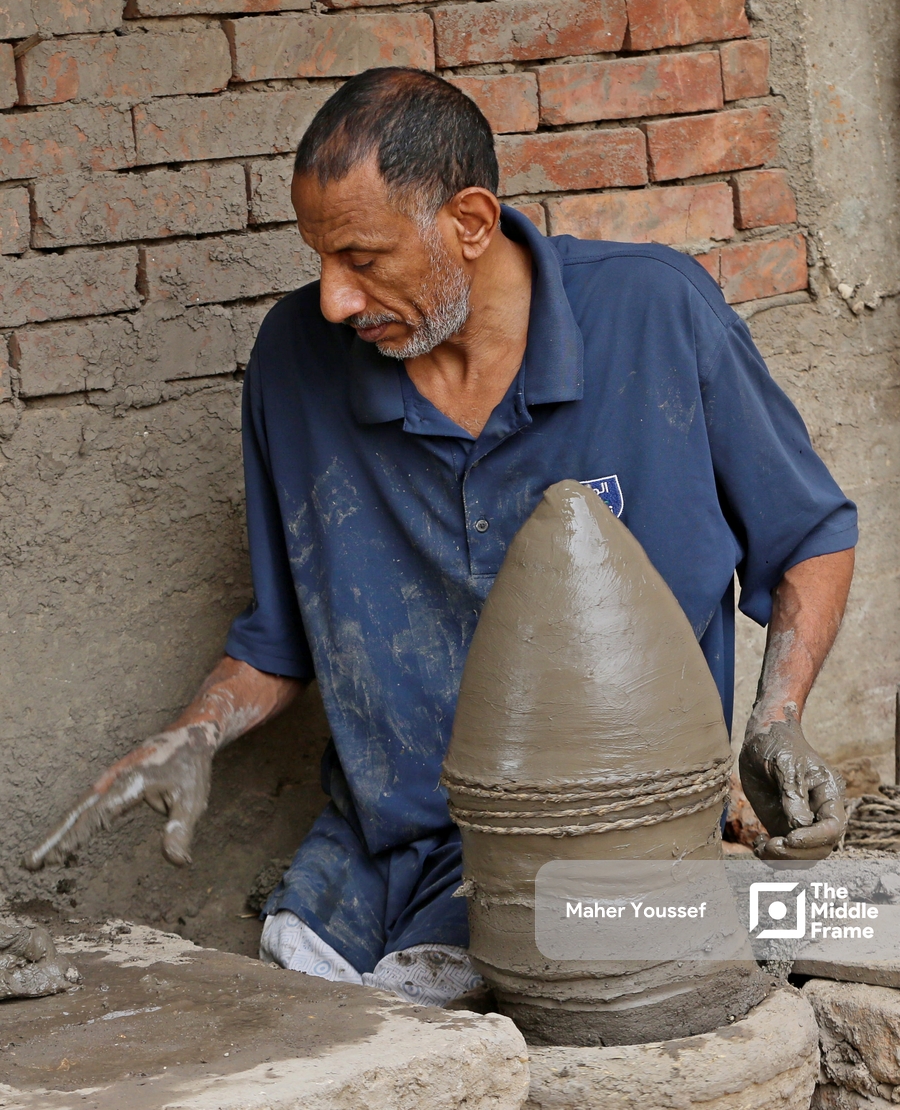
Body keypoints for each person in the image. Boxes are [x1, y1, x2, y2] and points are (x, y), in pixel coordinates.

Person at [24, 68, 857, 1007]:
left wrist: (776, 719)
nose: (336, 299)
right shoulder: (297, 364)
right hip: (380, 848)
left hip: (588, 859)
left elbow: (810, 536)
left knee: (488, 1015)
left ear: (469, 220)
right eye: (320, 261)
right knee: (291, 1017)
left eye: (364, 258)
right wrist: (195, 733)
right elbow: (282, 641)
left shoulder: (654, 315)